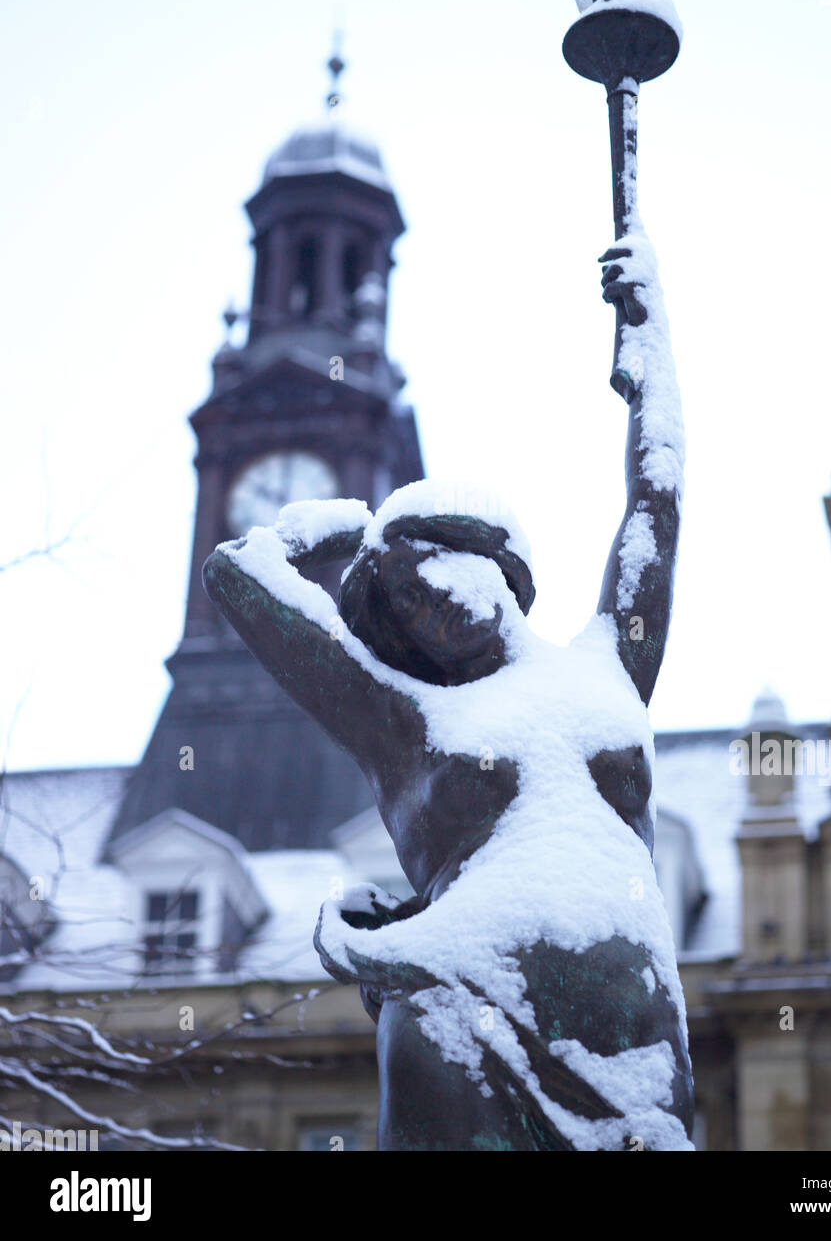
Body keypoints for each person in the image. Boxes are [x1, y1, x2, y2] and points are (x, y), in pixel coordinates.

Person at [203, 236, 693, 1150]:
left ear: (498, 567)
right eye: (404, 604)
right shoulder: (407, 725)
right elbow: (237, 576)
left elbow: (655, 503)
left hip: (631, 1022)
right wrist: (346, 527)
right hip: (461, 1002)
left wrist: (646, 345)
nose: (429, 604)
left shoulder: (610, 662)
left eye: (436, 572)